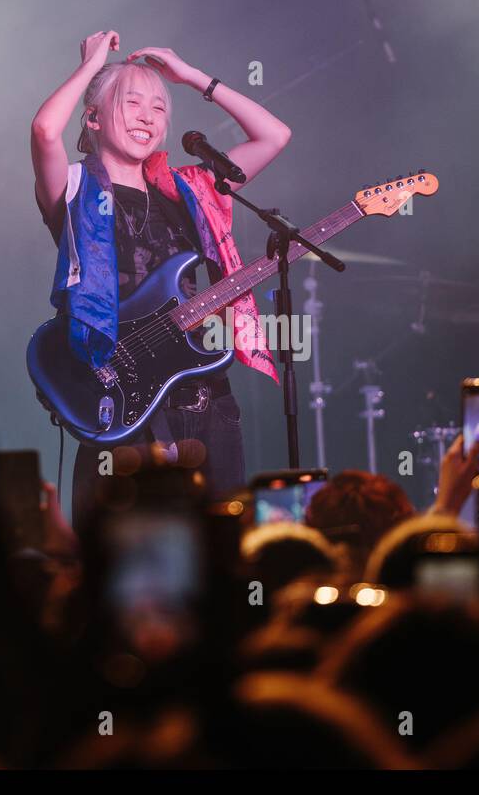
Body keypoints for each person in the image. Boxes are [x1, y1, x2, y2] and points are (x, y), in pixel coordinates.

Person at [30, 30, 292, 513]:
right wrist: (92, 67)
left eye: (158, 107)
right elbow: (45, 131)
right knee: (125, 559)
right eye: (132, 103)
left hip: (206, 396)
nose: (148, 116)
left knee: (222, 549)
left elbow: (274, 136)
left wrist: (194, 79)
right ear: (93, 117)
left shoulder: (188, 188)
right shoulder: (70, 187)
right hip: (119, 397)